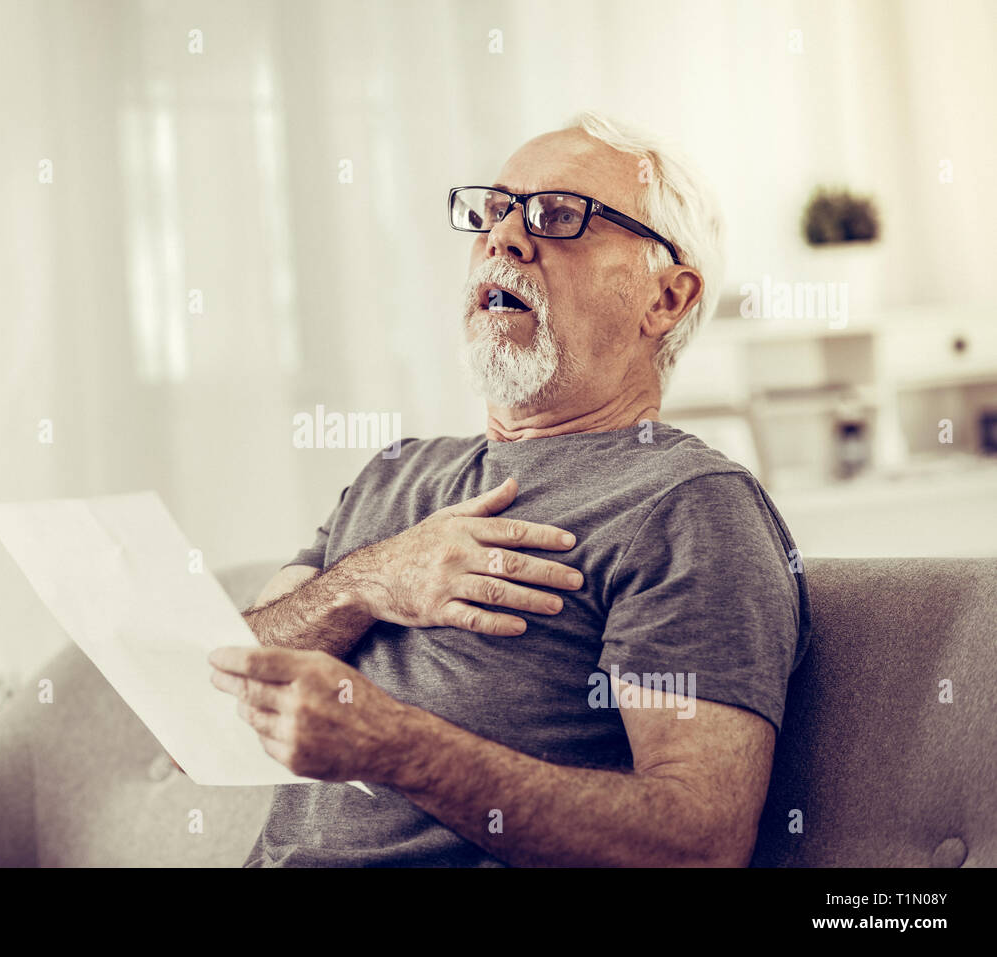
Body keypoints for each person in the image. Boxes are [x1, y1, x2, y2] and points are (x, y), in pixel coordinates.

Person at [208, 111, 811, 867]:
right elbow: (206, 697)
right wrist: (364, 582)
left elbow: (698, 843)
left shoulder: (689, 504)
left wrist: (398, 747)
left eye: (560, 216)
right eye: (494, 212)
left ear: (667, 298)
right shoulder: (394, 471)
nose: (505, 239)